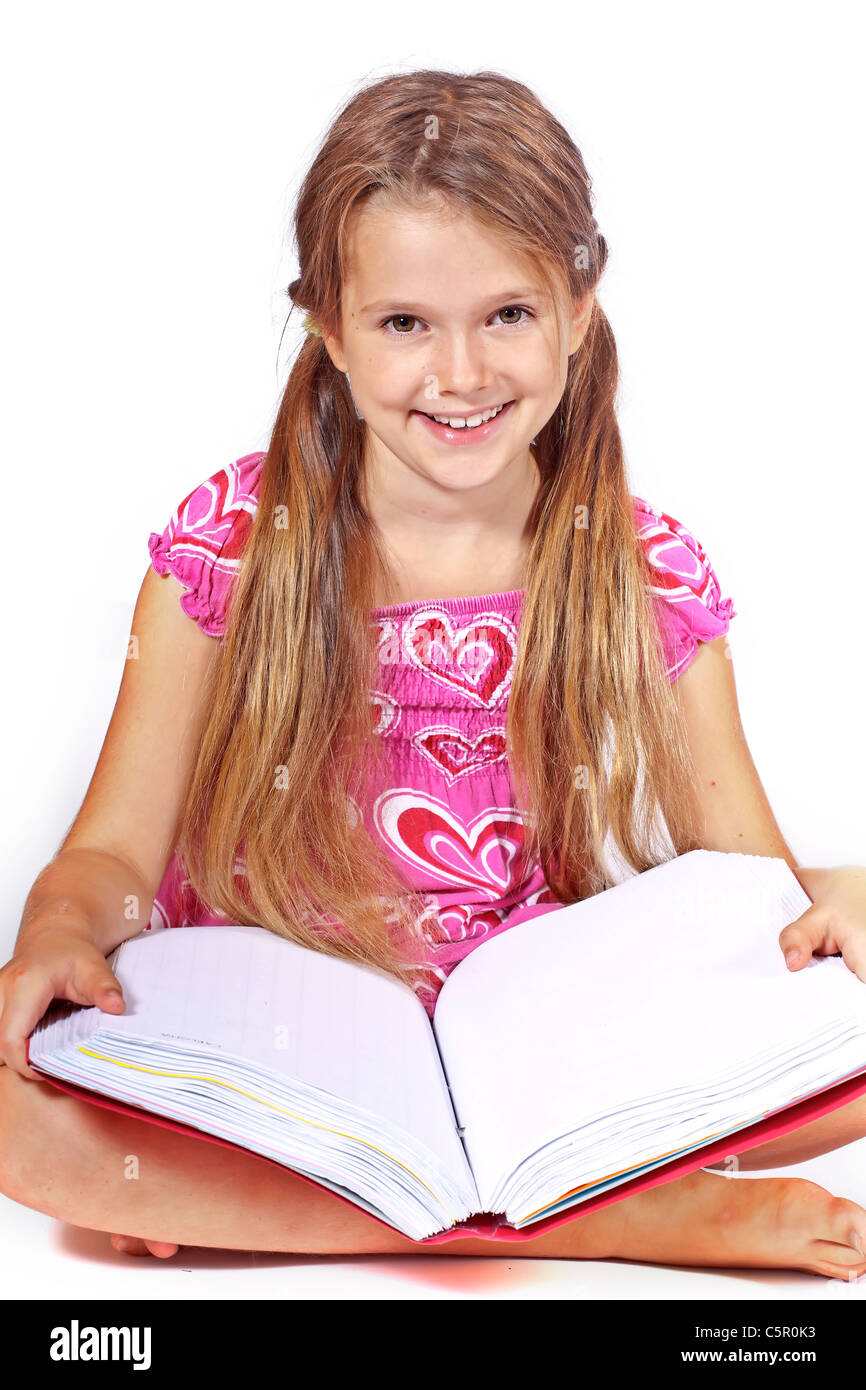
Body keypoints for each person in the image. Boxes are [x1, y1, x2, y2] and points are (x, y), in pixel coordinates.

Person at [2, 68, 866, 1280]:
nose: (458, 375)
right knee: (22, 1125)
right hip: (287, 1039)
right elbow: (113, 857)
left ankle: (294, 1204)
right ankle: (613, 1211)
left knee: (843, 1054)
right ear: (329, 331)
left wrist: (843, 893)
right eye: (405, 323)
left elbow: (747, 889)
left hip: (537, 1047)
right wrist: (59, 927)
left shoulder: (643, 569)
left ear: (578, 306)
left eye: (506, 314)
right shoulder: (227, 550)